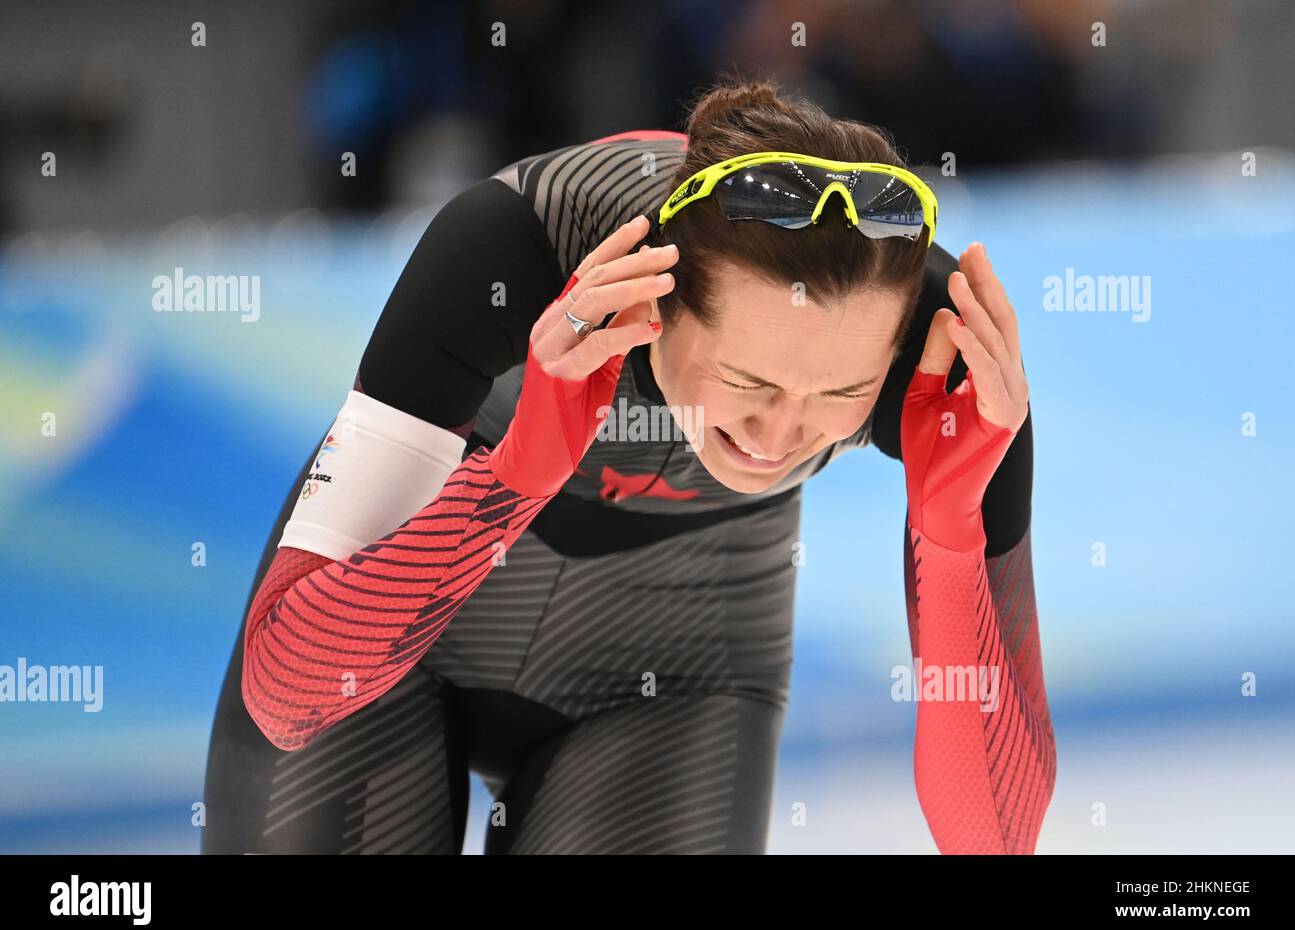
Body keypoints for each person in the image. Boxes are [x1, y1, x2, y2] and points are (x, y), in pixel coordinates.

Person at [200, 77, 1055, 854]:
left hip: (678, 673)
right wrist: (518, 471)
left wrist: (949, 529)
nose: (781, 433)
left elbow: (992, 838)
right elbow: (287, 694)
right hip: (392, 624)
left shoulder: (953, 356)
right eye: (746, 380)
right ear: (660, 300)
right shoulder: (517, 249)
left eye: (844, 394)